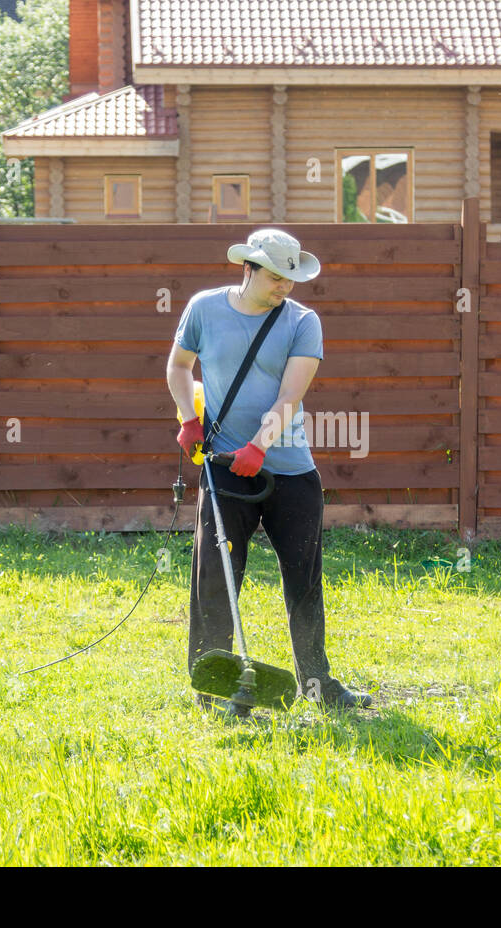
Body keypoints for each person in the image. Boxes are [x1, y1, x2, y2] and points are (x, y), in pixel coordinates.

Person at [165, 228, 372, 716]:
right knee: (214, 577)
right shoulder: (204, 308)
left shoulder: (304, 322)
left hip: (289, 472)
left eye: (291, 278)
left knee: (304, 578)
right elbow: (178, 366)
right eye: (277, 276)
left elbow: (289, 397)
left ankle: (317, 684)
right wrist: (188, 419)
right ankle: (211, 687)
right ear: (250, 269)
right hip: (223, 470)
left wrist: (259, 446)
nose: (286, 286)